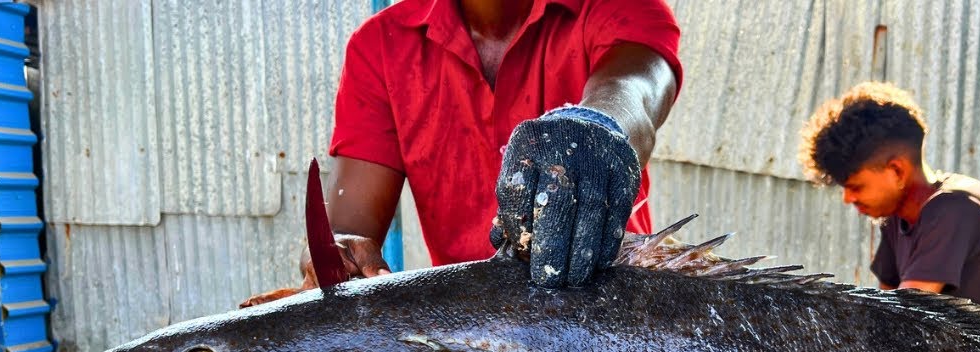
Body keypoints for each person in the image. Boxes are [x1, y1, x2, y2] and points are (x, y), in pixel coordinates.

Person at [245, 0, 681, 305]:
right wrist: (338, 252)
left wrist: (595, 128)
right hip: (473, 342)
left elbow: (635, 92)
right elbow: (349, 232)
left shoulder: (615, 7)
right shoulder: (381, 46)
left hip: (616, 314)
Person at [799, 82, 980, 334]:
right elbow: (884, 308)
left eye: (856, 187)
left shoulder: (953, 208)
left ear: (897, 171)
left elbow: (900, 323)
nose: (847, 198)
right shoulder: (896, 215)